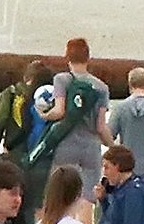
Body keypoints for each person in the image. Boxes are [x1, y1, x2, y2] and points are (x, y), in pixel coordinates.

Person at [41, 38, 112, 189]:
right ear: (88, 58)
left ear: (67, 57)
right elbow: (100, 127)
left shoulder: (62, 80)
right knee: (89, 194)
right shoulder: (101, 87)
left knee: (61, 191)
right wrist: (112, 146)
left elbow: (59, 111)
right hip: (91, 147)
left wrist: (44, 115)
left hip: (66, 143)